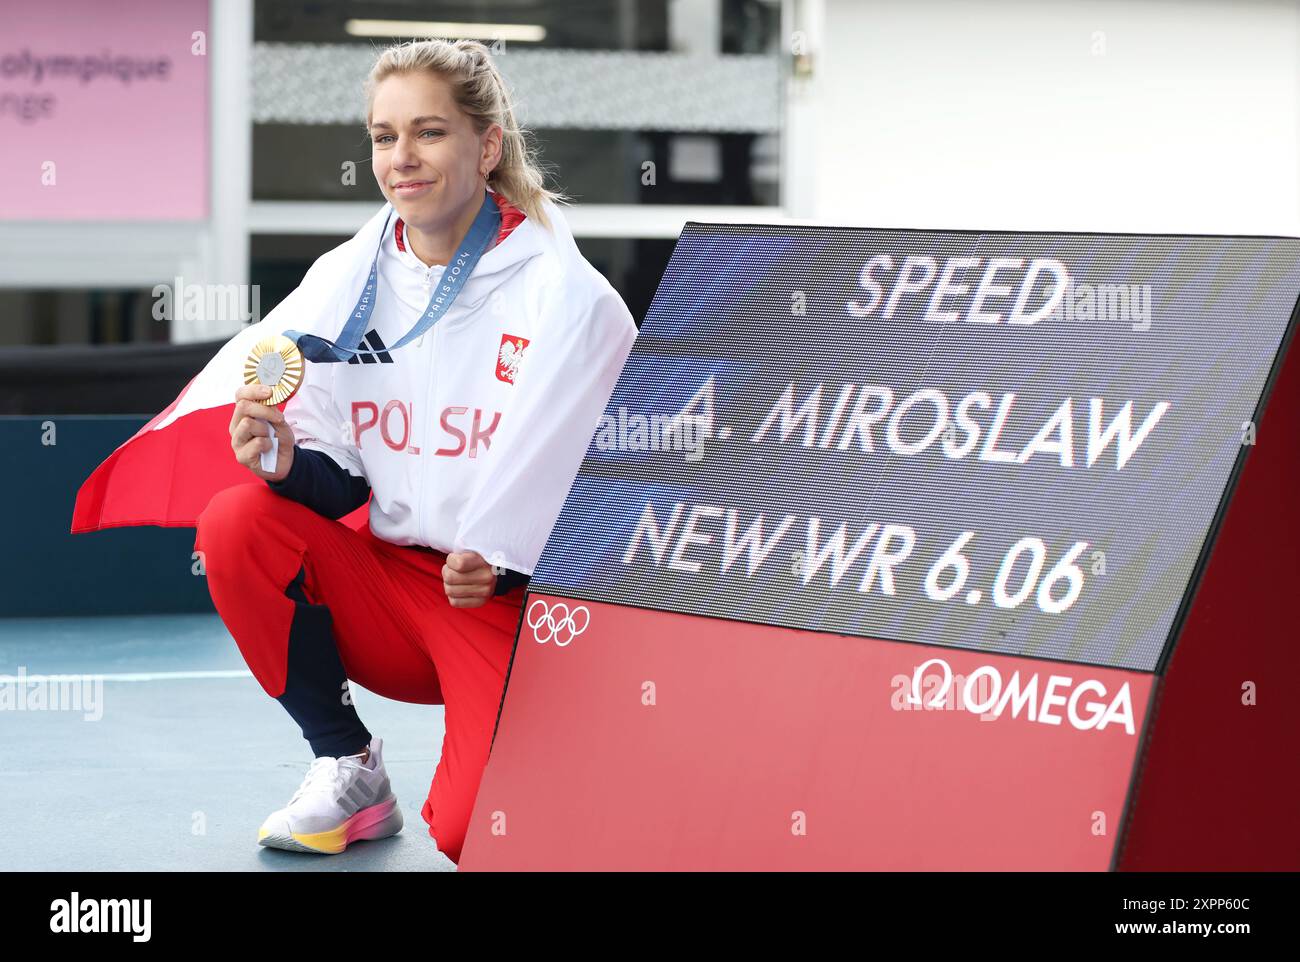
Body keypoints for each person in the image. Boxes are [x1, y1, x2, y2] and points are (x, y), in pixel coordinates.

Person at [193, 38, 637, 866]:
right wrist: (286, 458)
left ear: (488, 146)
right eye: (383, 136)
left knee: (484, 833)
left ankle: (592, 754)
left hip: (511, 611)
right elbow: (342, 481)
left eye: (429, 133)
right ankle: (350, 766)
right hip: (394, 588)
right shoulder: (348, 278)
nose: (402, 159)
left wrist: (506, 564)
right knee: (237, 522)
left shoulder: (568, 296)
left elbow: (620, 496)